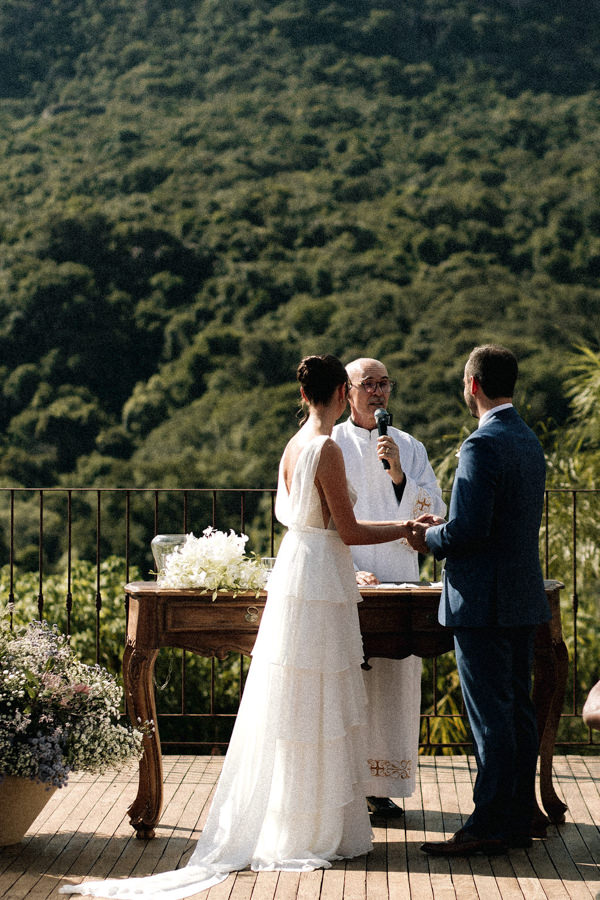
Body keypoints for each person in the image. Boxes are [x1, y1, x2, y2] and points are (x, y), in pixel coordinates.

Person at [61, 355, 412, 899]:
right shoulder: (328, 448)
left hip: (299, 568)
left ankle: (298, 818)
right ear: (343, 394)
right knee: (318, 694)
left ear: (304, 395)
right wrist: (406, 526)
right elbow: (348, 530)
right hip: (321, 573)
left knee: (297, 695)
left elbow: (294, 517)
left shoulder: (293, 445)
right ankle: (311, 827)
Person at [408, 344, 550, 856]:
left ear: (473, 385)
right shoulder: (527, 439)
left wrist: (428, 537)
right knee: (518, 712)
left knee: (490, 716)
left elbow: (469, 530)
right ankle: (517, 816)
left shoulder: (481, 443)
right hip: (521, 594)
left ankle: (488, 823)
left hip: (482, 601)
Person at [332, 357, 446, 817]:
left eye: (384, 384)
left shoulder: (409, 446)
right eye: (368, 384)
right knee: (347, 681)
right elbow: (324, 520)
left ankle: (379, 786)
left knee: (393, 681)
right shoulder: (332, 444)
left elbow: (435, 509)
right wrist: (347, 569)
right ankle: (341, 784)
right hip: (347, 574)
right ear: (347, 391)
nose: (378, 392)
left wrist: (398, 475)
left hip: (400, 573)